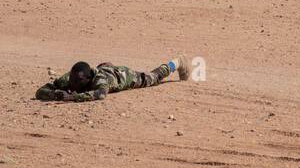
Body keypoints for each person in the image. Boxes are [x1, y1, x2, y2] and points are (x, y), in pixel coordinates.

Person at [36, 57, 187, 102]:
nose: (73, 84)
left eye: (78, 82)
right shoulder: (70, 78)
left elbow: (100, 94)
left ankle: (176, 63)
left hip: (123, 76)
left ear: (88, 79)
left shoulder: (100, 80)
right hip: (103, 67)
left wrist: (73, 97)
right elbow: (40, 91)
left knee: (154, 77)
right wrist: (54, 94)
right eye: (72, 80)